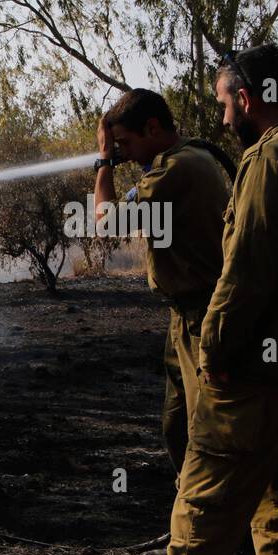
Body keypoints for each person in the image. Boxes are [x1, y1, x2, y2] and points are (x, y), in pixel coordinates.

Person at [99, 44, 278, 555]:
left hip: (257, 371)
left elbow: (245, 268)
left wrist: (217, 350)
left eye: (226, 103)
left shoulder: (271, 159)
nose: (222, 118)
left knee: (206, 494)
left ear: (248, 99)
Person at [96, 89, 231, 476]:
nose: (123, 152)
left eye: (126, 142)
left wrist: (103, 160)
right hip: (182, 317)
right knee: (177, 426)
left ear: (152, 127)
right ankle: (193, 519)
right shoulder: (178, 161)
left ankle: (213, 528)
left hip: (200, 317)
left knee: (203, 432)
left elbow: (106, 222)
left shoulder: (175, 170)